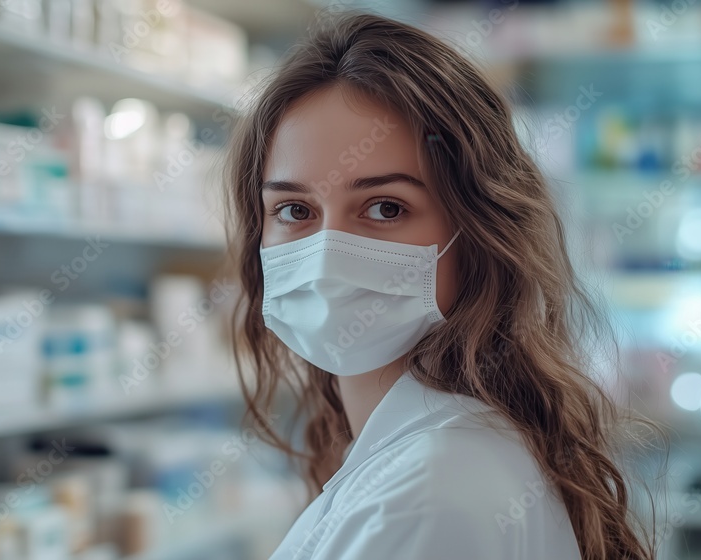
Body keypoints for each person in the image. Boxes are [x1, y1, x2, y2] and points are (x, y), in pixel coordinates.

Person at [222, 9, 661, 560]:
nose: (326, 253)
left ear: (478, 231)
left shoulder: (426, 495)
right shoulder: (440, 451)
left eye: (385, 207)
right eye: (294, 208)